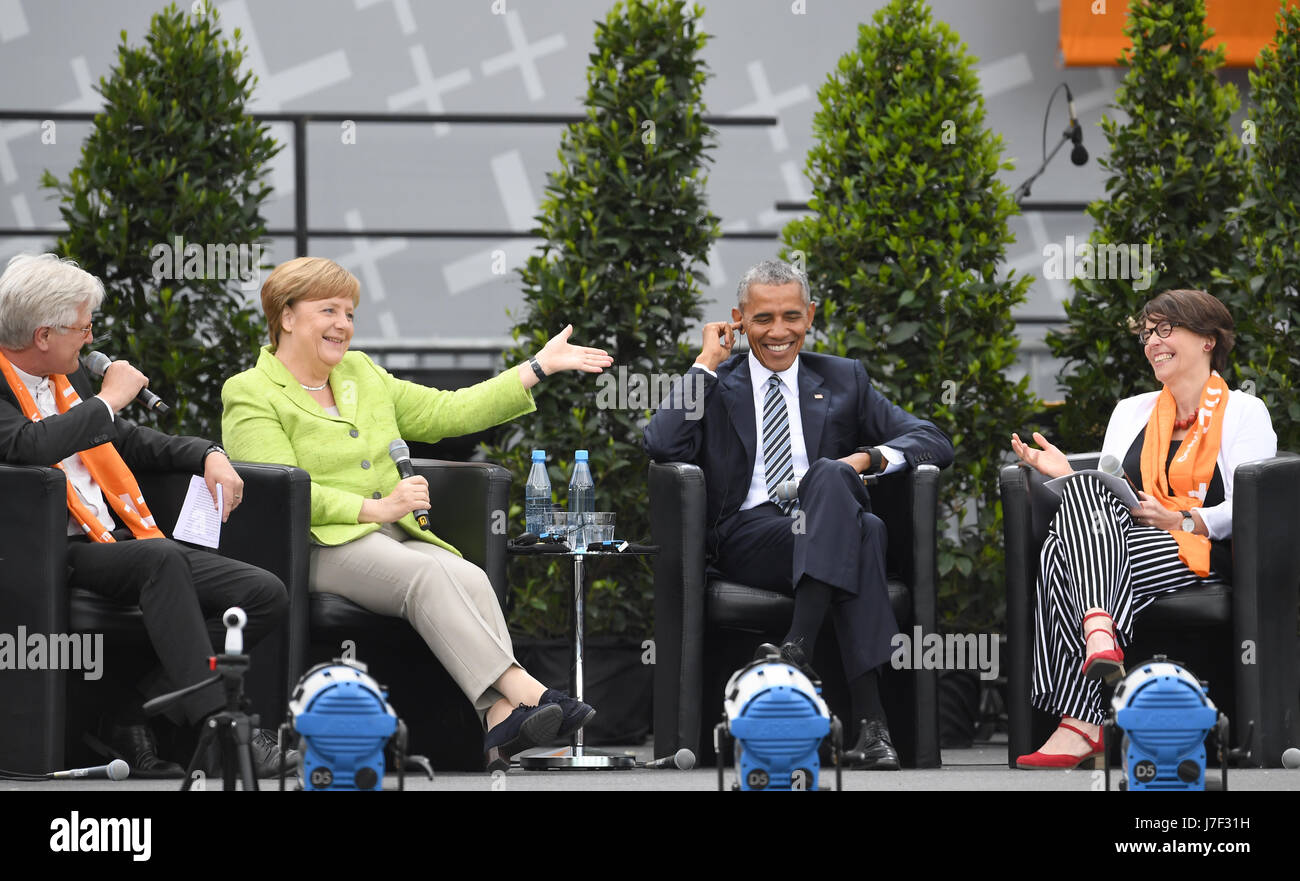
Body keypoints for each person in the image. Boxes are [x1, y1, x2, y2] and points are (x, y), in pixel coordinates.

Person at [221, 256, 614, 769]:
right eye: (329, 310)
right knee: (424, 571)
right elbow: (282, 488)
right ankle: (535, 695)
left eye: (350, 312)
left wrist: (536, 367)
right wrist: (376, 506)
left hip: (391, 536)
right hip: (313, 544)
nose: (343, 324)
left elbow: (448, 412)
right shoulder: (249, 391)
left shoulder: (361, 372)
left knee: (468, 575)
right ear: (287, 316)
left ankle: (498, 716)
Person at [643, 259, 954, 769]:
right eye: (763, 319)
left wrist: (867, 459)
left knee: (844, 494)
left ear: (810, 315)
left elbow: (934, 440)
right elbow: (661, 443)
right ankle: (867, 719)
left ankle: (801, 652)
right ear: (739, 320)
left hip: (822, 527)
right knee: (866, 531)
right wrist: (704, 362)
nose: (779, 331)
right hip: (749, 536)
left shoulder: (843, 377)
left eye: (791, 316)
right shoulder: (717, 383)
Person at [0, 253, 291, 778]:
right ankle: (220, 729)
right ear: (43, 335)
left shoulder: (68, 380)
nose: (90, 340)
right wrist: (108, 401)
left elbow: (130, 440)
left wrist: (208, 453)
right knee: (160, 559)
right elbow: (26, 446)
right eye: (82, 328)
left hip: (116, 541)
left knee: (262, 594)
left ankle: (131, 715)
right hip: (50, 552)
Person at [1012, 288, 1276, 769]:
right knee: (1083, 497)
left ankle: (1083, 721)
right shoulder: (1130, 411)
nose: (1152, 341)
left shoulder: (1244, 411)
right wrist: (1066, 474)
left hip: (1198, 548)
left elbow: (1252, 501)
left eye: (1165, 329)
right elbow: (1104, 495)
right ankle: (1099, 629)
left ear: (1207, 340)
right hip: (1124, 539)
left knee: (1056, 555)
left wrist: (1183, 517)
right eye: (1147, 333)